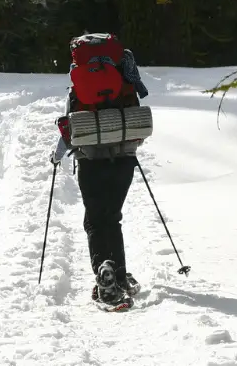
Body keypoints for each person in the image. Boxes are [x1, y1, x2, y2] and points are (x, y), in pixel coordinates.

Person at [50, 33, 149, 308]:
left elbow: (70, 129)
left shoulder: (78, 87)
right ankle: (118, 274)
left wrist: (57, 155)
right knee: (112, 218)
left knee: (95, 220)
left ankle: (104, 278)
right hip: (124, 161)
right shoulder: (126, 81)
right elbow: (137, 125)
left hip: (91, 162)